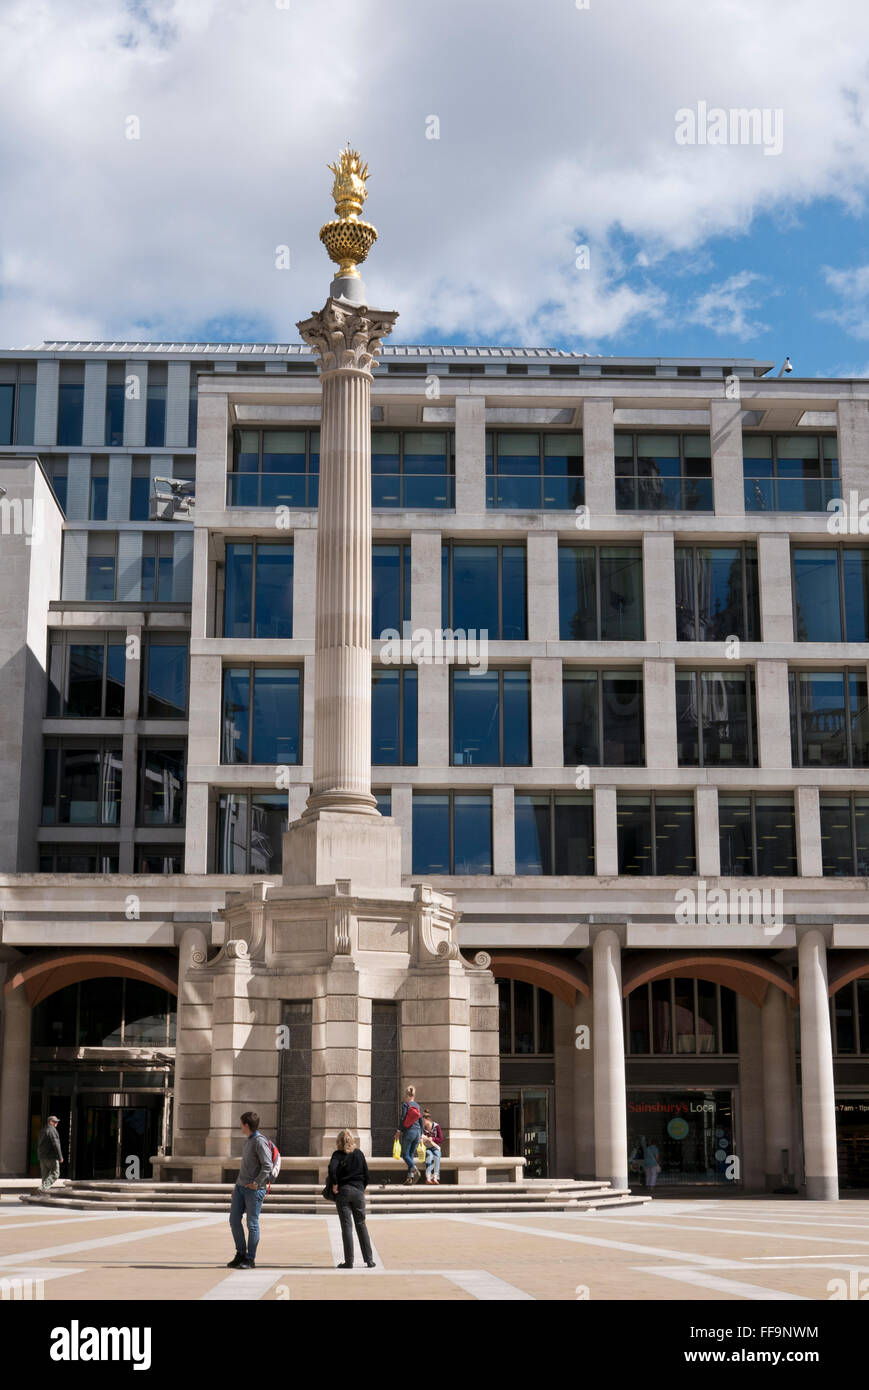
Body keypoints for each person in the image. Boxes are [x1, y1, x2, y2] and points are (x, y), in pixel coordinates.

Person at [227, 1111, 273, 1270]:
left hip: (254, 1190)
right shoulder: (247, 1141)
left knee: (252, 1224)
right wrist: (236, 1187)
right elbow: (244, 1167)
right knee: (234, 1220)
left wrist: (256, 1183)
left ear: (246, 1125)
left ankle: (250, 1258)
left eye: (241, 1124)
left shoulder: (259, 1142)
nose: (240, 1126)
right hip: (241, 1188)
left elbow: (268, 1166)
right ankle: (240, 1254)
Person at [328, 1129, 376, 1269]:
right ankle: (369, 1260)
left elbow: (332, 1169)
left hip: (343, 1192)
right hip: (358, 1192)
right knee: (361, 1224)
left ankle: (349, 1262)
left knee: (347, 1227)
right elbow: (366, 1174)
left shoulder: (337, 1155)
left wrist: (335, 1183)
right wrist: (361, 1187)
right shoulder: (359, 1154)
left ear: (339, 1142)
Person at [394, 1084, 423, 1184]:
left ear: (406, 1094)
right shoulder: (417, 1106)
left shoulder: (406, 1105)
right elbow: (421, 1121)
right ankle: (409, 1178)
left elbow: (403, 1118)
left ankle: (414, 1170)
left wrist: (398, 1130)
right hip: (417, 1132)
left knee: (405, 1155)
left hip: (409, 1132)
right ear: (414, 1095)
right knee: (410, 1155)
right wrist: (421, 1134)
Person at [37, 1115, 64, 1190]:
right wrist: (60, 1157)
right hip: (51, 1157)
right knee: (56, 1173)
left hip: (42, 1157)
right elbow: (56, 1144)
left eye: (57, 1122)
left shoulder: (43, 1130)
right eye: (55, 1122)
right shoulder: (52, 1130)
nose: (56, 1123)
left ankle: (43, 1193)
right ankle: (43, 1188)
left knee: (45, 1176)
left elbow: (39, 1143)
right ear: (50, 1122)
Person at [421, 1111, 443, 1185]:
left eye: (423, 1121)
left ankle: (435, 1177)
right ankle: (428, 1178)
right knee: (429, 1156)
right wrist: (422, 1138)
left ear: (428, 1120)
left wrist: (432, 1138)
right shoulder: (422, 1128)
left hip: (435, 1147)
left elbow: (440, 1139)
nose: (422, 1122)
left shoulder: (436, 1126)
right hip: (426, 1148)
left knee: (437, 1155)